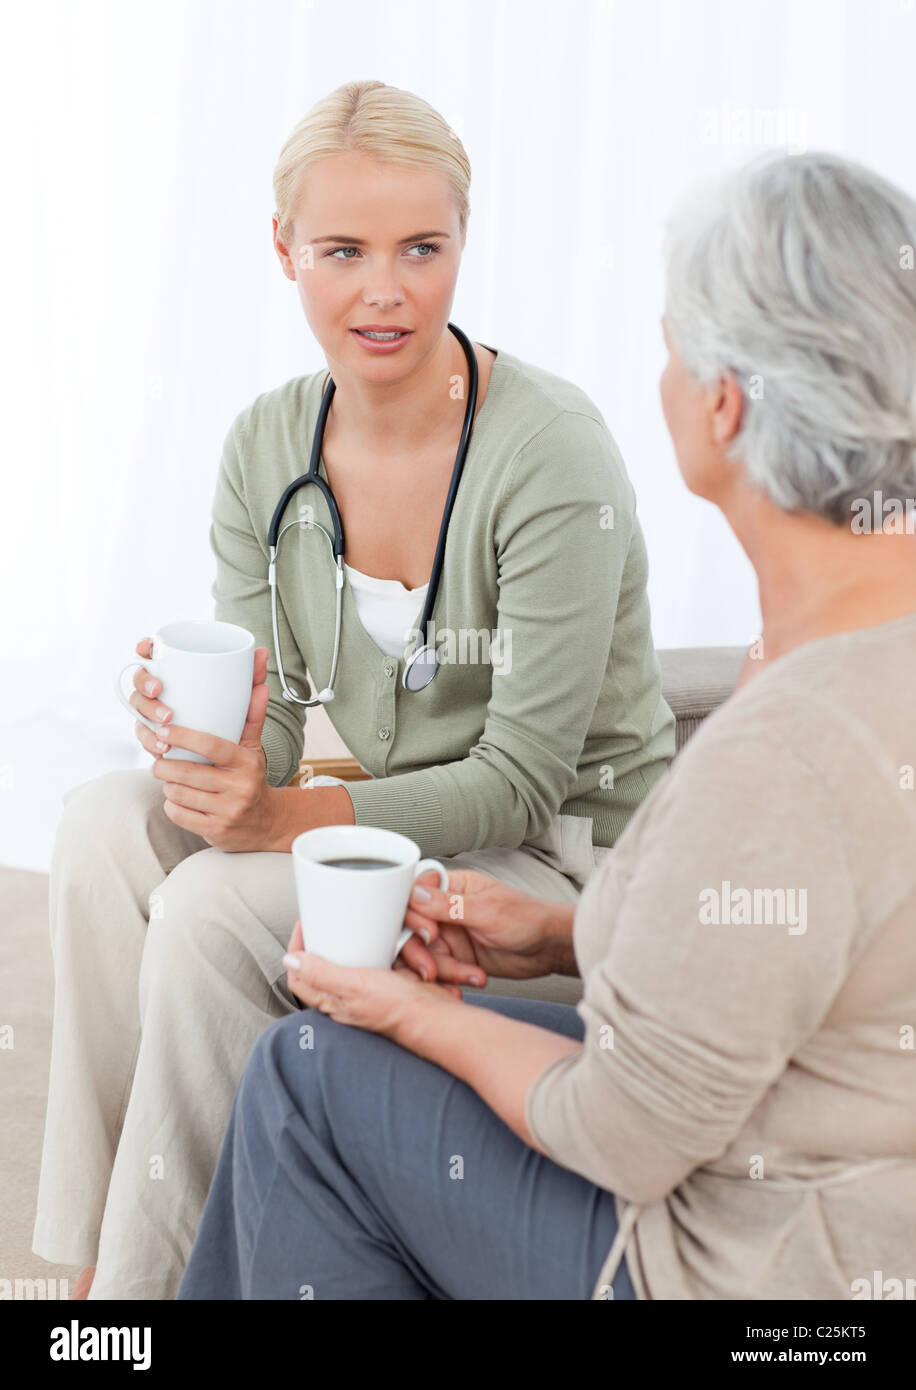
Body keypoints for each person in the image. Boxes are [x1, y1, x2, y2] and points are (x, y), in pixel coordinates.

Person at [178, 148, 916, 1301]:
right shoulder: (842, 678)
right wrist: (568, 937)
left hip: (766, 1266)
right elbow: (802, 947)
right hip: (835, 1162)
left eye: (671, 348)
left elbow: (624, 1131)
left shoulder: (789, 744)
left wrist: (414, 1014)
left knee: (312, 1071)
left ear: (722, 405)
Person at [31, 80, 673, 1300]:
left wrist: (275, 821)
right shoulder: (267, 444)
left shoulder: (549, 452)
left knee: (216, 911)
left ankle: (147, 1304)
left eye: (420, 250)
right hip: (381, 811)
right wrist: (209, 757)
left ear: (460, 244)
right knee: (103, 828)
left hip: (545, 857)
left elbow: (516, 781)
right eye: (343, 251)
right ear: (284, 250)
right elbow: (280, 719)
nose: (385, 291)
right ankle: (91, 1267)